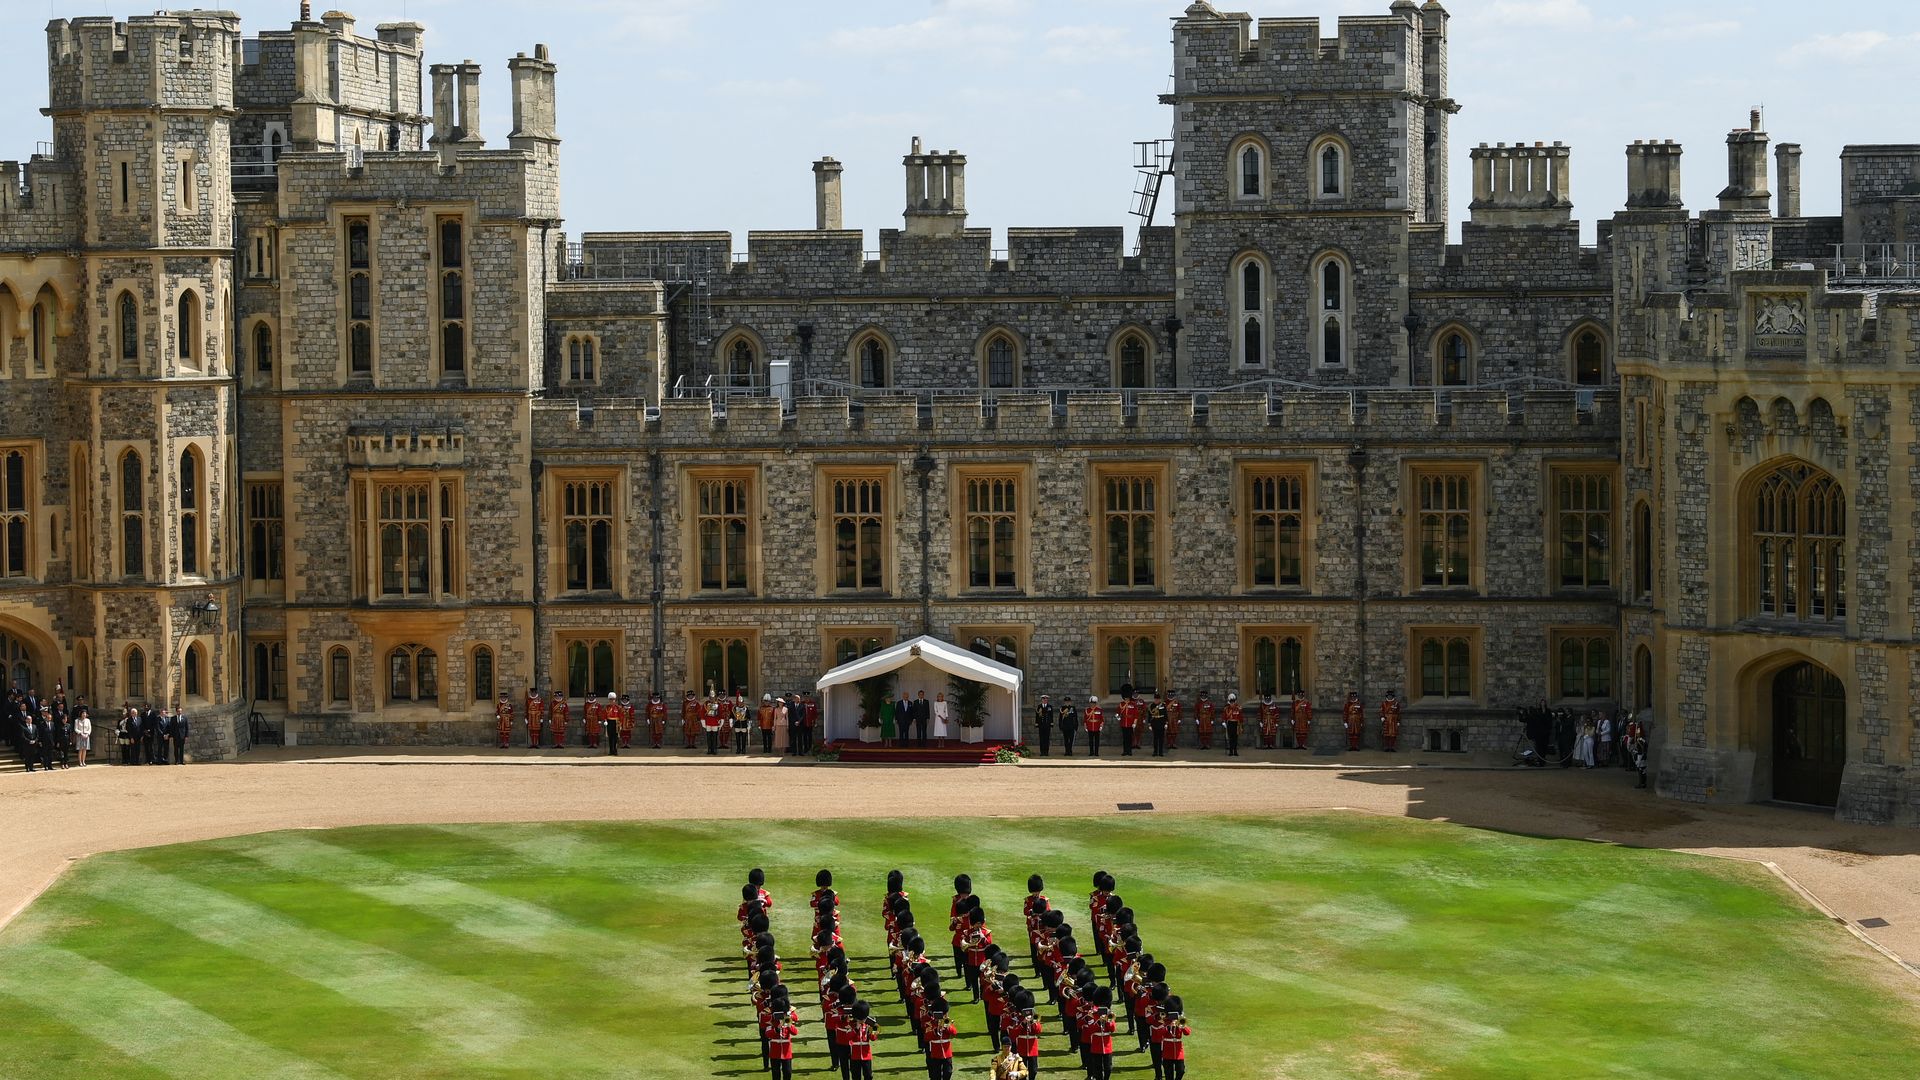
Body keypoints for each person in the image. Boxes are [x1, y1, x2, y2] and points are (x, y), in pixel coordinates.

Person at [922, 998, 957, 1079]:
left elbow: (954, 1032)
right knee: (935, 1075)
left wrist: (946, 1027)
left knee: (948, 1072)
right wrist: (935, 1030)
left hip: (947, 1052)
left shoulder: (947, 1022)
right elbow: (926, 1037)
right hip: (935, 1053)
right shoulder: (930, 1024)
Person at [1116, 691, 1139, 757]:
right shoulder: (1121, 704)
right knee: (1124, 738)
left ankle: (1129, 751)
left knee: (1130, 738)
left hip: (1130, 723)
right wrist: (1118, 717)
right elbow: (1117, 712)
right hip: (1123, 723)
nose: (1126, 699)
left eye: (1127, 698)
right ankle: (1125, 751)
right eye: (1126, 698)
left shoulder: (1133, 704)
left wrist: (1134, 723)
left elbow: (1136, 715)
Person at [1148, 693, 1169, 757]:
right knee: (1155, 739)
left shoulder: (1163, 705)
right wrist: (1149, 724)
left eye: (1157, 699)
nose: (1156, 700)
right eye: (1155, 699)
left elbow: (1165, 715)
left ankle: (1160, 752)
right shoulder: (1151, 706)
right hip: (1154, 723)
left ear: (1159, 699)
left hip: (1161, 722)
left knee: (1161, 739)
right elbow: (1150, 715)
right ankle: (1155, 751)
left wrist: (1166, 723)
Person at [1164, 690, 1182, 754]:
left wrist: (1179, 718)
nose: (1170, 696)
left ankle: (1174, 743)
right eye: (1169, 695)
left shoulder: (1176, 702)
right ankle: (1169, 743)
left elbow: (1179, 710)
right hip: (1168, 719)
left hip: (1175, 719)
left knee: (1174, 731)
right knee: (1168, 732)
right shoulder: (1165, 702)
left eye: (1172, 695)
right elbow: (1163, 712)